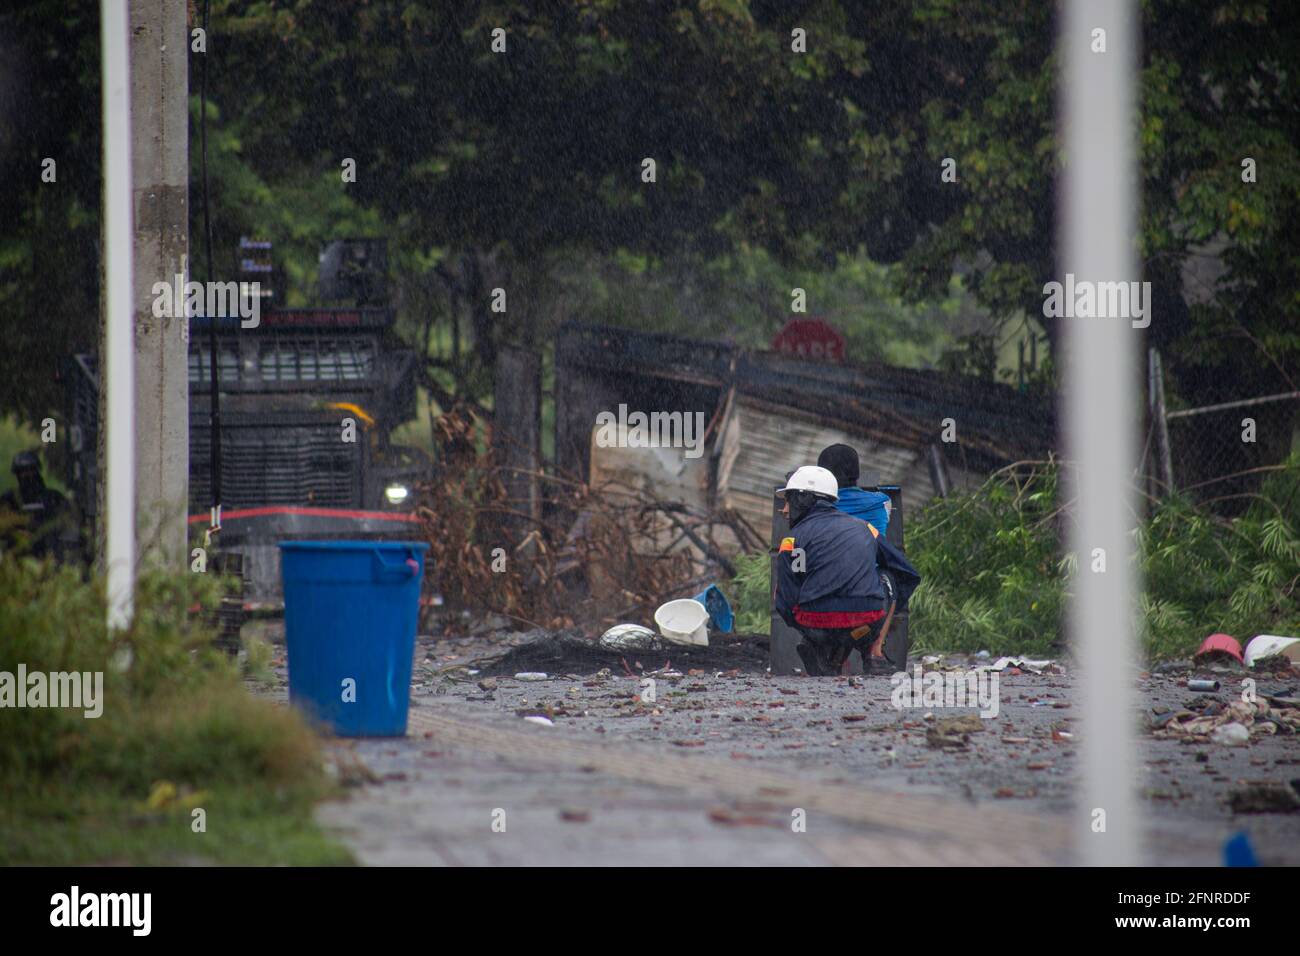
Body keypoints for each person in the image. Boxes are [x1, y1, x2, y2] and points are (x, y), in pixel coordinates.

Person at [774, 465, 920, 676]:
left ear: (802, 499)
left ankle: (821, 649)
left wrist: (808, 629)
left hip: (816, 629)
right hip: (863, 626)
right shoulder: (865, 528)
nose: (785, 510)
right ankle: (873, 651)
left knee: (795, 584)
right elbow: (908, 573)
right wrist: (880, 621)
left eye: (789, 501)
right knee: (888, 576)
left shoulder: (791, 540)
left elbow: (784, 601)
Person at [0, 451, 72, 561]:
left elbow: (69, 527)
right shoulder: (9, 499)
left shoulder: (53, 498)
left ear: (37, 471)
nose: (27, 475)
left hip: (49, 557)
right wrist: (17, 534)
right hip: (18, 560)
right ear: (17, 474)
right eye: (23, 472)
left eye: (31, 470)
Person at [817, 443, 891, 535]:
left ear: (823, 475)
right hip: (871, 549)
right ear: (857, 473)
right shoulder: (881, 502)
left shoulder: (815, 506)